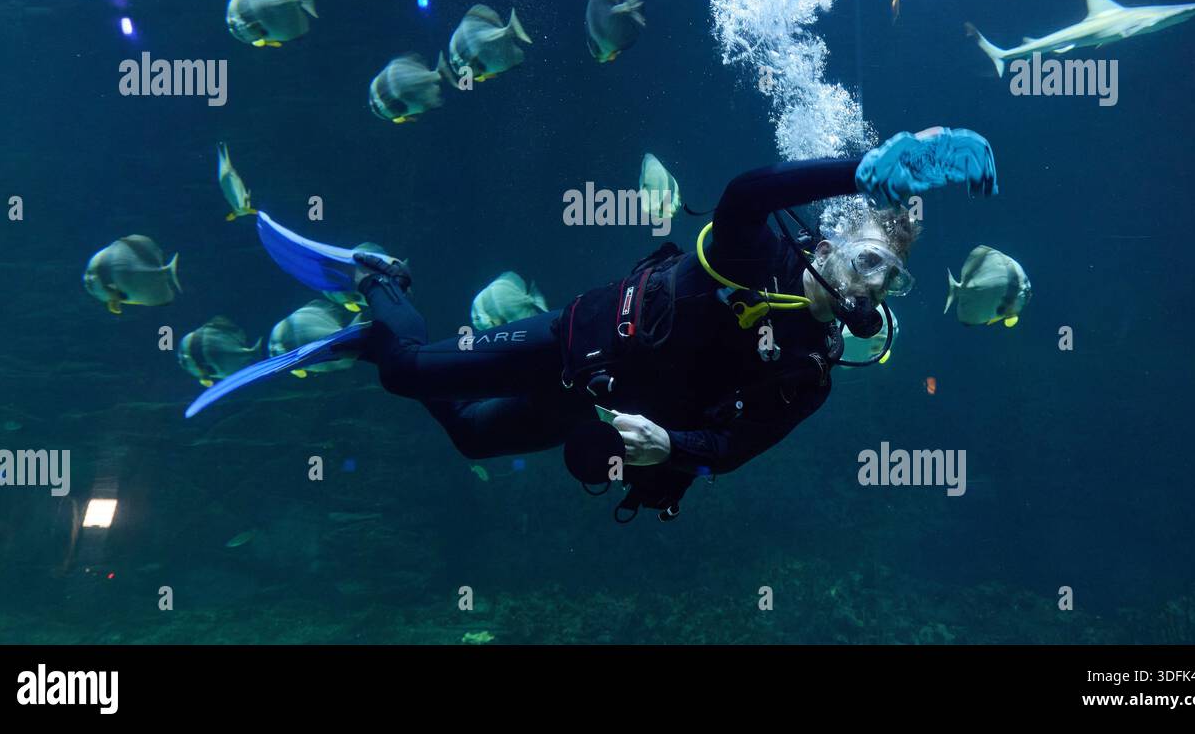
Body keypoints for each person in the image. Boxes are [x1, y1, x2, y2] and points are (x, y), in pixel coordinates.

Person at [188, 127, 997, 522]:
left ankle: (374, 330)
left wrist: (669, 445)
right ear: (828, 243)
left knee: (470, 437)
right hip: (576, 340)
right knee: (405, 373)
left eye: (890, 277)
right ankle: (379, 281)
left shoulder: (813, 370)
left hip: (603, 409)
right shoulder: (759, 254)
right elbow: (747, 192)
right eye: (866, 260)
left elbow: (735, 448)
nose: (870, 285)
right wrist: (859, 169)